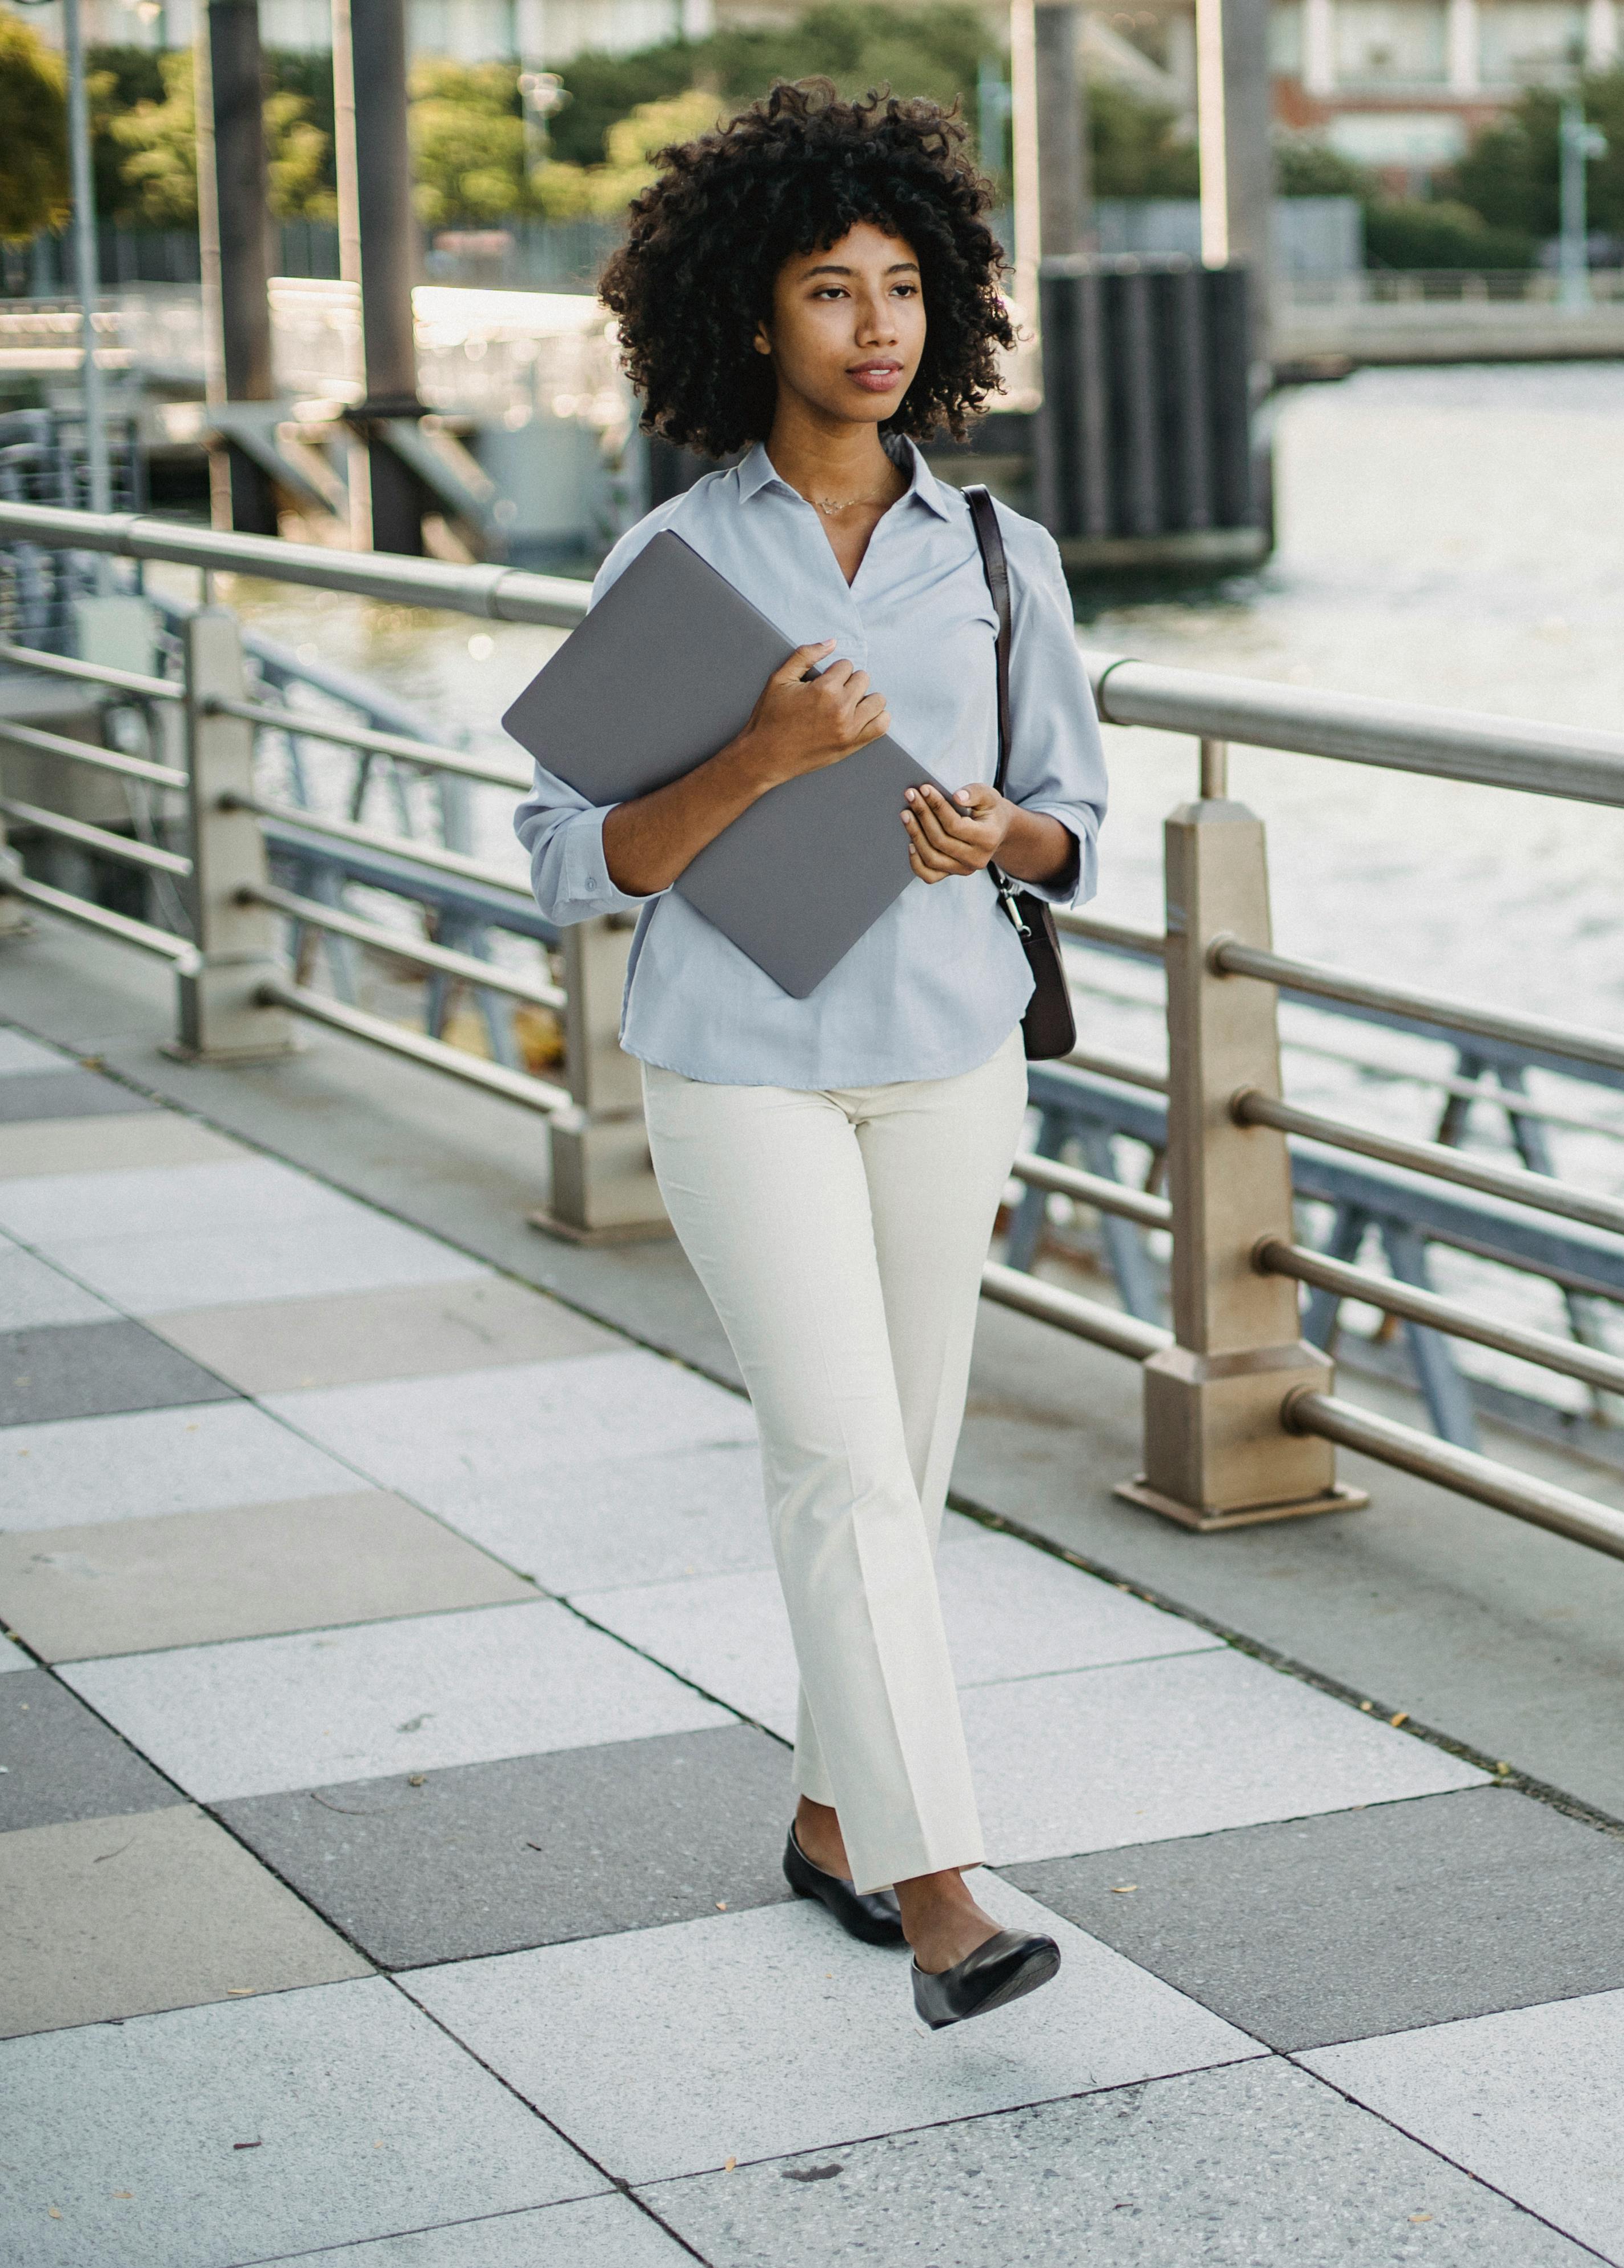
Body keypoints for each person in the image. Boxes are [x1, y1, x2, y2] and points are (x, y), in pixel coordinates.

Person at [514, 81, 1105, 2033]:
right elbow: (560, 863)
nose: (876, 324)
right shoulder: (675, 561)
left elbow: (1066, 822)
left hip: (948, 1056)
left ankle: (833, 1821)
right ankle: (942, 1896)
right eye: (830, 289)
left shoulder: (1004, 556)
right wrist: (759, 758)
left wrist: (989, 837)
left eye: (906, 287)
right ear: (747, 320)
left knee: (895, 1473)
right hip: (739, 1061)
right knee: (842, 1459)